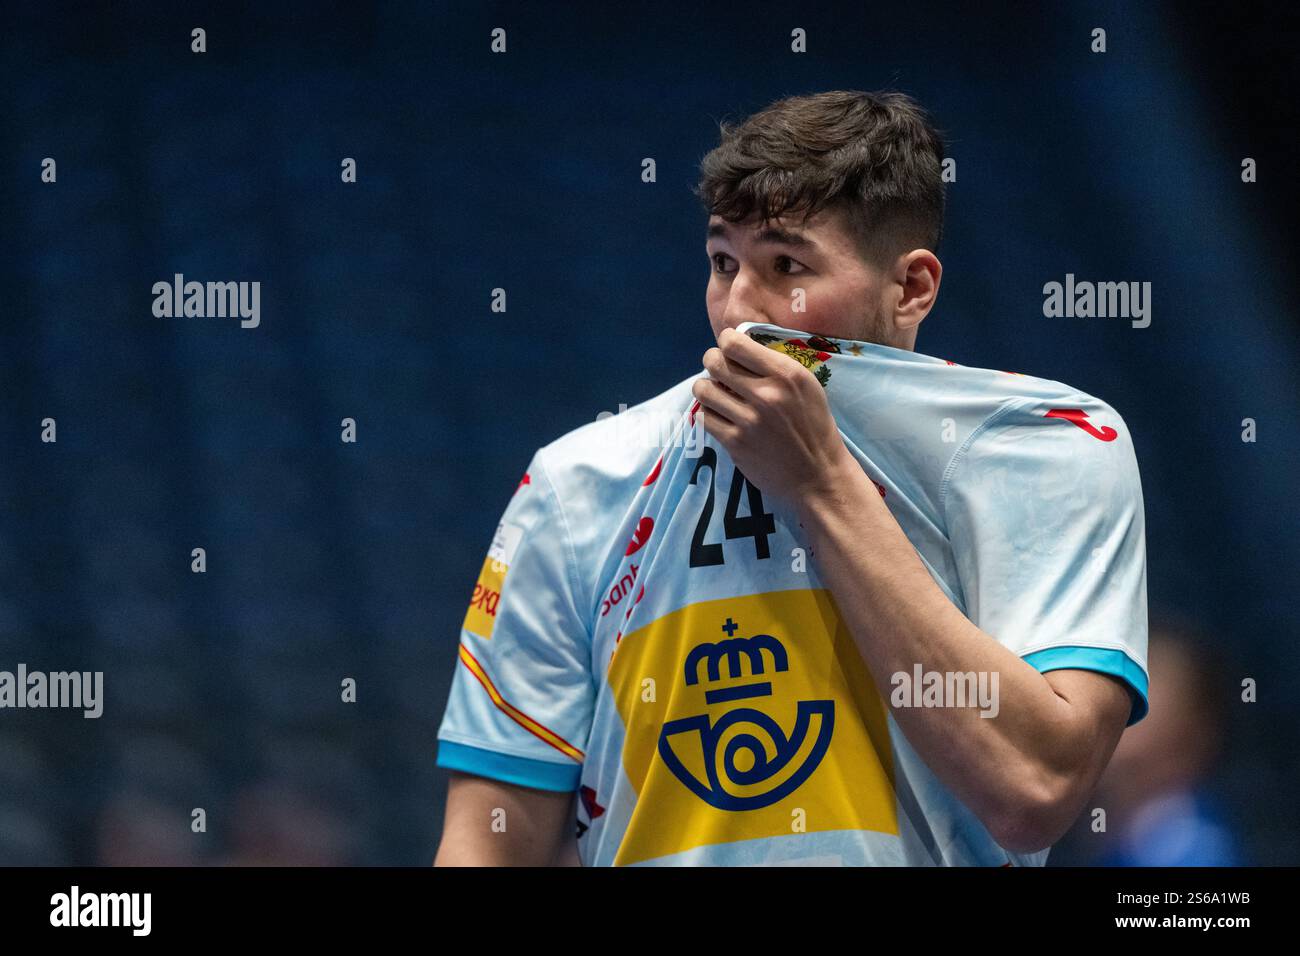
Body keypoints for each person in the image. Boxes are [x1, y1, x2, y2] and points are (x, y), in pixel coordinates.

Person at [433, 89, 1149, 866]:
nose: (738, 310)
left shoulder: (1049, 445)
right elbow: (487, 842)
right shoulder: (579, 482)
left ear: (911, 287)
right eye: (722, 262)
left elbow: (1033, 790)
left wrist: (821, 486)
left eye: (787, 266)